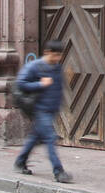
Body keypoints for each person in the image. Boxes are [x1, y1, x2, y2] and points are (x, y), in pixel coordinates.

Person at [12, 40, 73, 183]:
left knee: (35, 137)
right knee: (50, 138)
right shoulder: (35, 66)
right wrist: (40, 84)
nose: (57, 58)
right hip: (39, 109)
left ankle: (20, 162)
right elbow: (21, 83)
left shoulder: (57, 67)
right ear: (47, 52)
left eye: (60, 55)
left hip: (51, 109)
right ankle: (59, 172)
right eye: (55, 55)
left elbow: (57, 87)